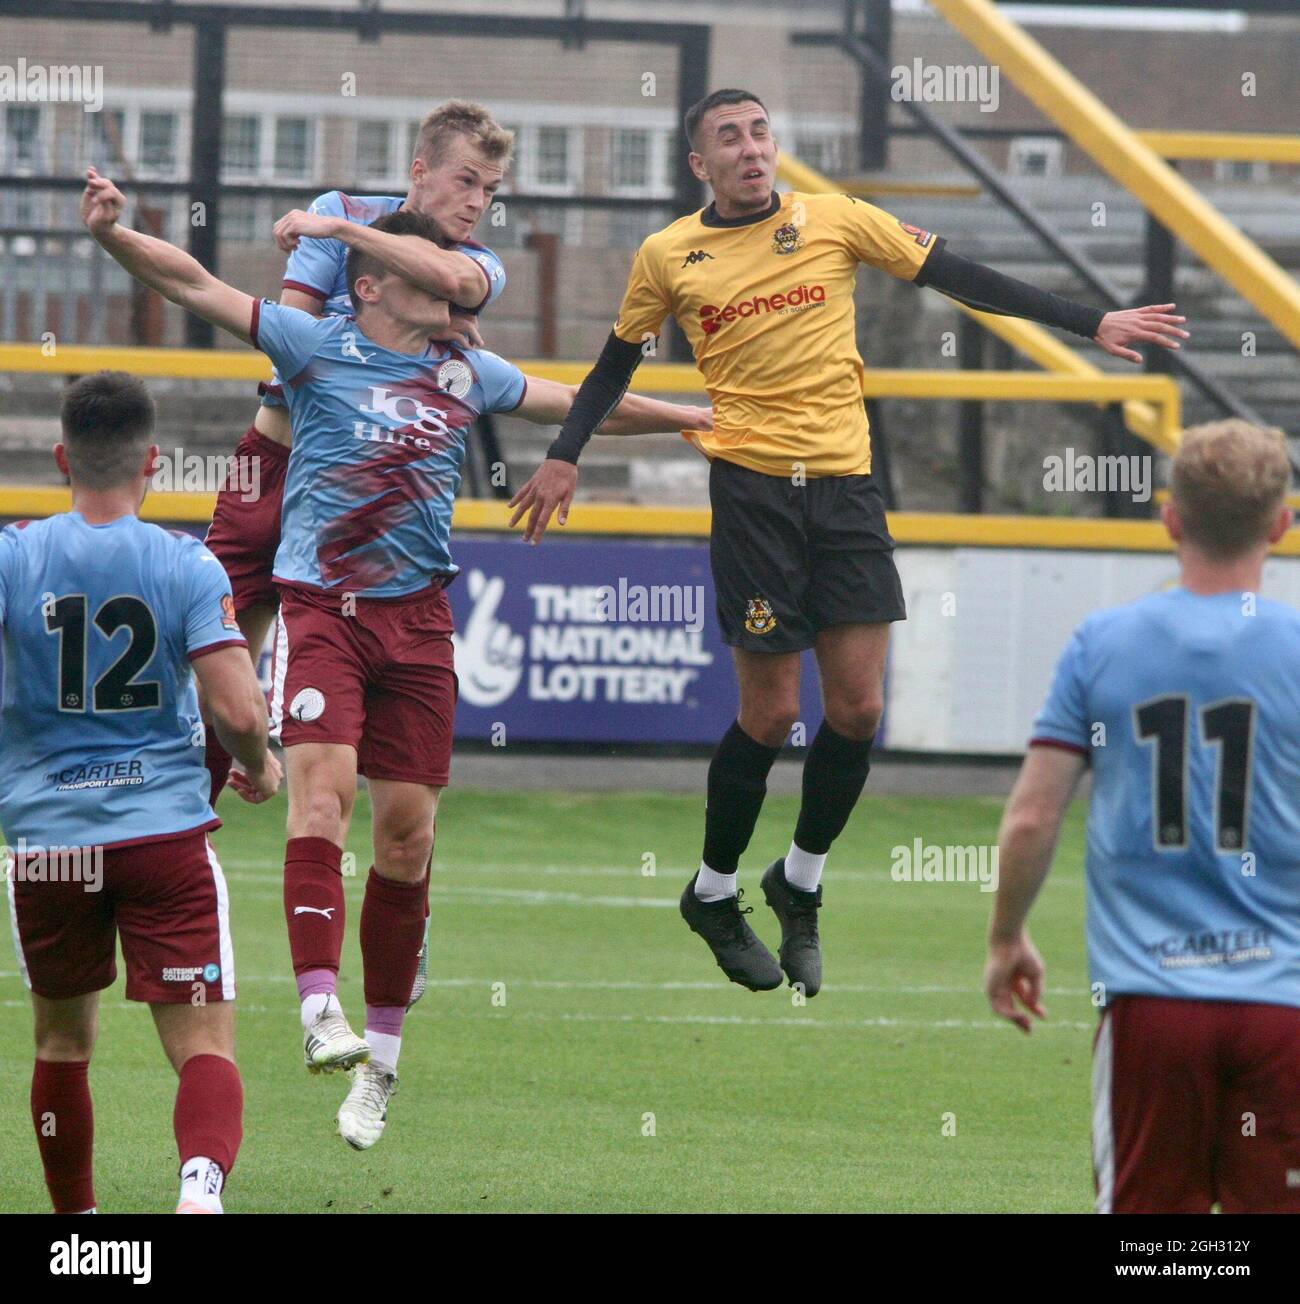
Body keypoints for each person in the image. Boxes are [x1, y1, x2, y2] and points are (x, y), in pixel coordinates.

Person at [508, 86, 1189, 996]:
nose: (751, 149)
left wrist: (1090, 321)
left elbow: (959, 274)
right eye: (728, 139)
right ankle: (712, 892)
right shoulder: (669, 254)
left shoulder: (835, 220)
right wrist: (563, 455)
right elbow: (612, 366)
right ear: (698, 165)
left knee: (861, 709)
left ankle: (800, 879)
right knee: (770, 711)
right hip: (752, 493)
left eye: (759, 132)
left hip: (846, 490)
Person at [82, 168, 710, 1150]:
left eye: (453, 283)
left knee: (407, 839)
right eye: (427, 282)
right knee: (319, 798)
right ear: (370, 284)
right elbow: (196, 285)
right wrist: (116, 233)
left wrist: (694, 418)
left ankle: (379, 1064)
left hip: (419, 622)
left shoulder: (463, 375)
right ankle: (316, 1005)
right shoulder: (313, 344)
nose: (450, 293)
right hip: (326, 606)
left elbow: (566, 398)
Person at [986, 419, 1300, 1214]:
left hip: (1152, 1003)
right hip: (1285, 1006)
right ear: (1281, 523)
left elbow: (1031, 817)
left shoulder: (1104, 643)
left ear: (1169, 517)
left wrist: (1005, 937)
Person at [1, 371, 280, 1214]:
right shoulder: (184, 563)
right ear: (152, 463)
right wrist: (259, 766)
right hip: (161, 836)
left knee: (60, 1042)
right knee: (203, 1044)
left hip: (51, 842)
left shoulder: (15, 558)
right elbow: (234, 708)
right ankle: (198, 1191)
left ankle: (80, 1231)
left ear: (61, 458)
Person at [201, 99, 512, 811]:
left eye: (491, 190)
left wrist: (383, 294)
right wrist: (402, 330)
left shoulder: (474, 261)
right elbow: (288, 336)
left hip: (369, 488)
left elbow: (459, 286)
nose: (477, 203)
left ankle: (335, 795)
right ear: (419, 170)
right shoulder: (336, 205)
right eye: (466, 181)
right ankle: (207, 800)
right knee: (221, 655)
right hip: (274, 461)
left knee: (363, 685)